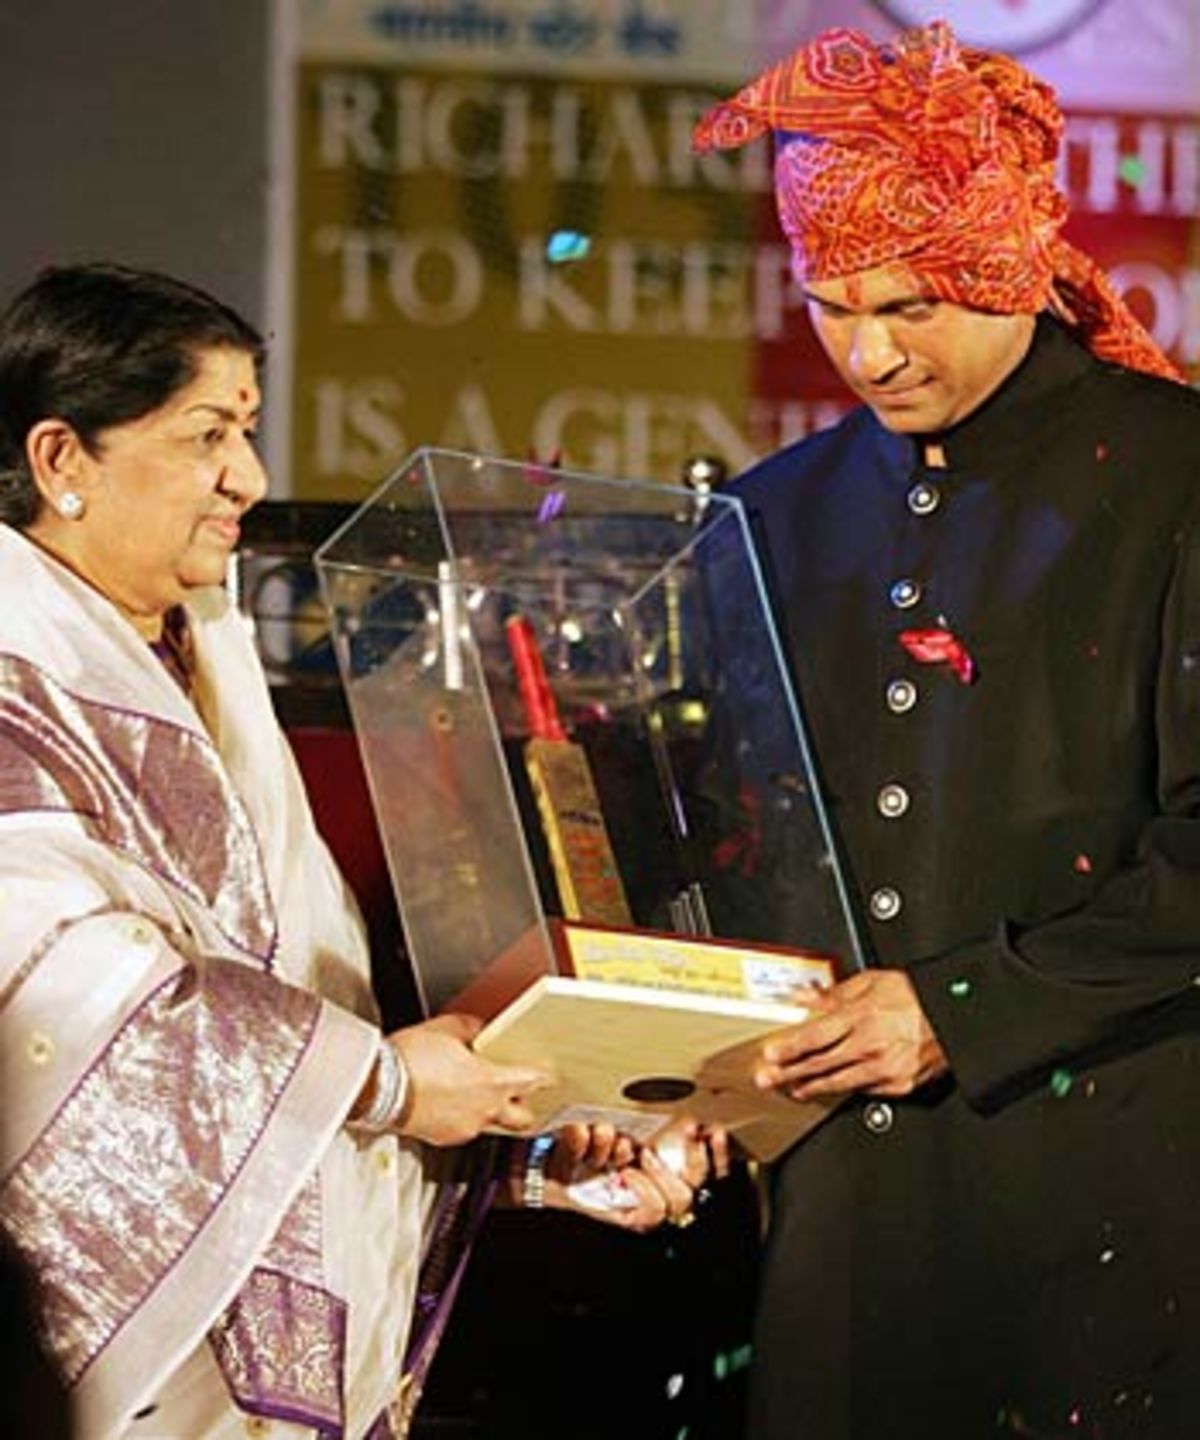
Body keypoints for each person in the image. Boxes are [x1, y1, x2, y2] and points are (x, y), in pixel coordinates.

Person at [0, 262, 713, 1440]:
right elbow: (81, 1008)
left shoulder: (205, 644)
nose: (248, 476)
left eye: (247, 431)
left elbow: (297, 1004)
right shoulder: (19, 679)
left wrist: (518, 1151)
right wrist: (390, 1085)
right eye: (207, 435)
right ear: (62, 458)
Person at [692, 21, 1200, 1440]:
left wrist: (958, 1006)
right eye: (831, 304)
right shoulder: (773, 514)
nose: (868, 351)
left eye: (910, 304)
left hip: (1117, 1205)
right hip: (839, 1220)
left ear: (1005, 261)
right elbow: (729, 837)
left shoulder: (1175, 480)